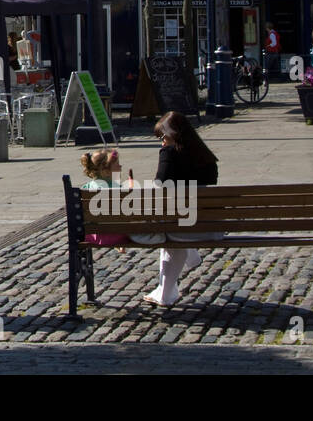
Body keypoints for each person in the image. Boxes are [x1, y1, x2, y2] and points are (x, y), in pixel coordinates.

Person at [142, 111, 221, 307]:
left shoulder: (169, 153)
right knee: (176, 220)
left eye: (162, 137)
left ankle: (165, 294)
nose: (161, 141)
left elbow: (161, 183)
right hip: (208, 226)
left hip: (182, 227)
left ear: (173, 134)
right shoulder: (206, 156)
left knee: (168, 231)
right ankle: (167, 287)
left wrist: (166, 153)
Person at [79, 149, 130, 246]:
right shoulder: (118, 188)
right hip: (117, 236)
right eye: (117, 165)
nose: (120, 166)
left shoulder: (86, 188)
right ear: (105, 171)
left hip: (93, 236)